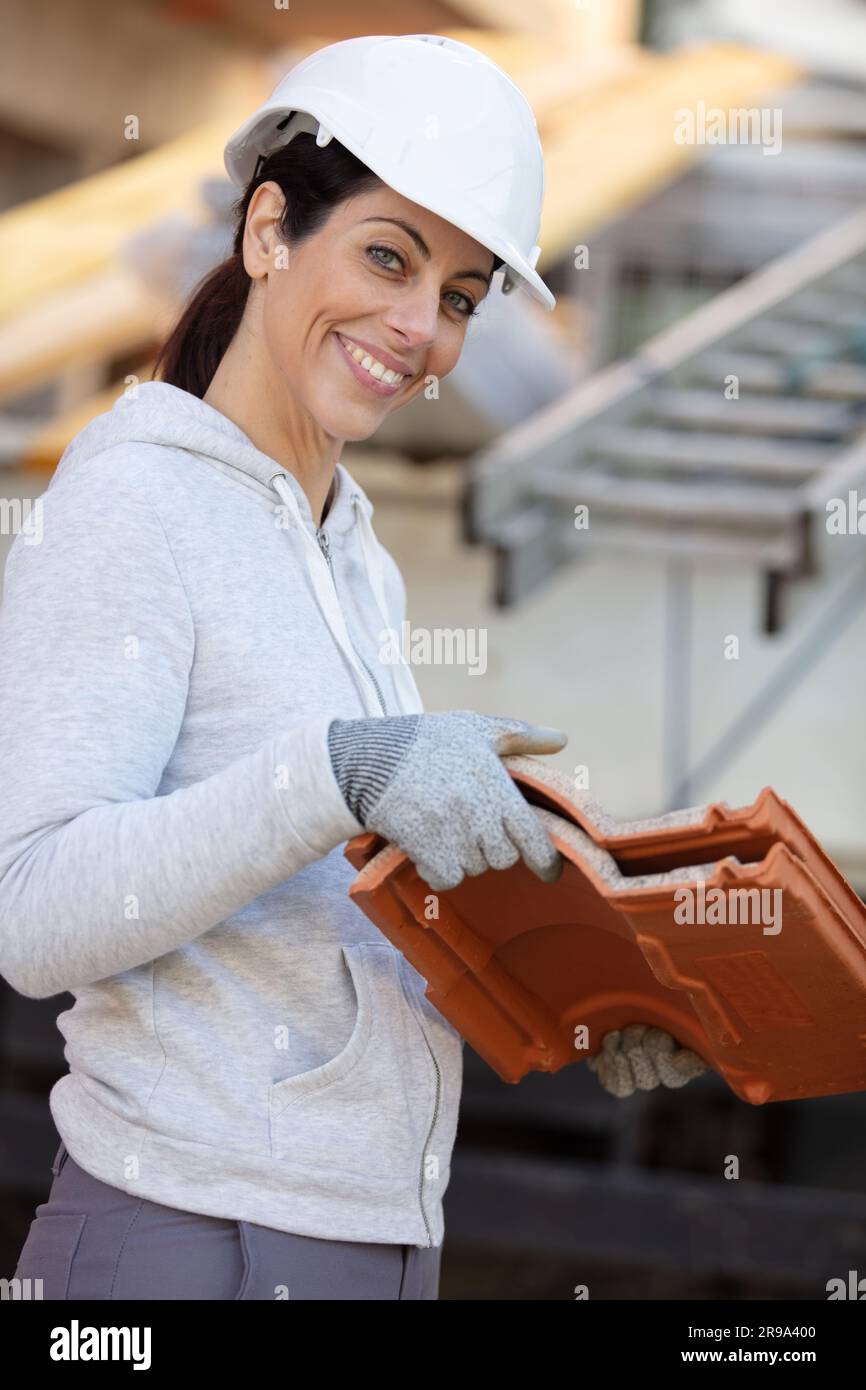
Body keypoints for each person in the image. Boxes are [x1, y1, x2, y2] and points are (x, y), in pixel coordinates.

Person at [2, 33, 705, 1302]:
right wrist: (336, 768)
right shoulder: (129, 505)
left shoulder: (346, 545)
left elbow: (341, 913)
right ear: (269, 230)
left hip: (359, 1231)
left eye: (457, 292)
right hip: (191, 1236)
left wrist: (581, 996)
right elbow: (33, 909)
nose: (417, 326)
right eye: (386, 255)